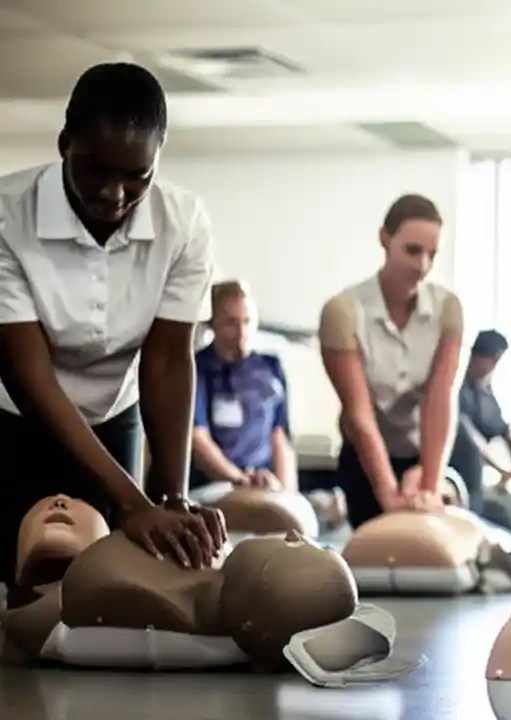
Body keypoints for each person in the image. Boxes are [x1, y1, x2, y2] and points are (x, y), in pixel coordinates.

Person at [0, 63, 227, 600]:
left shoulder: (184, 222)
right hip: (14, 416)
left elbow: (169, 361)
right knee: (26, 586)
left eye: (136, 177)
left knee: (114, 582)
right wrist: (132, 503)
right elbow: (27, 373)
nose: (114, 194)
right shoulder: (7, 215)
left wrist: (170, 498)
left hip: (113, 414)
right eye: (96, 170)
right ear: (64, 145)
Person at [318, 194, 464, 529]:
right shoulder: (343, 312)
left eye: (432, 254)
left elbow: (439, 400)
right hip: (366, 455)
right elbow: (359, 413)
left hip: (425, 450)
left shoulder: (448, 309)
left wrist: (428, 483)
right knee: (377, 542)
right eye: (413, 251)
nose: (422, 266)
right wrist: (388, 493)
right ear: (385, 239)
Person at [191, 280, 297, 498]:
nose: (241, 332)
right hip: (218, 485)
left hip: (267, 483)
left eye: (247, 322)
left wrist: (286, 494)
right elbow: (198, 440)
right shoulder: (196, 369)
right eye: (231, 323)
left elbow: (280, 437)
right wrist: (241, 480)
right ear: (213, 324)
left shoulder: (271, 367)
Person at [448, 329, 511, 532]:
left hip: (478, 473)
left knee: (505, 512)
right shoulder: (457, 387)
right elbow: (470, 437)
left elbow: (504, 431)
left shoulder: (484, 390)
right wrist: (501, 469)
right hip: (459, 469)